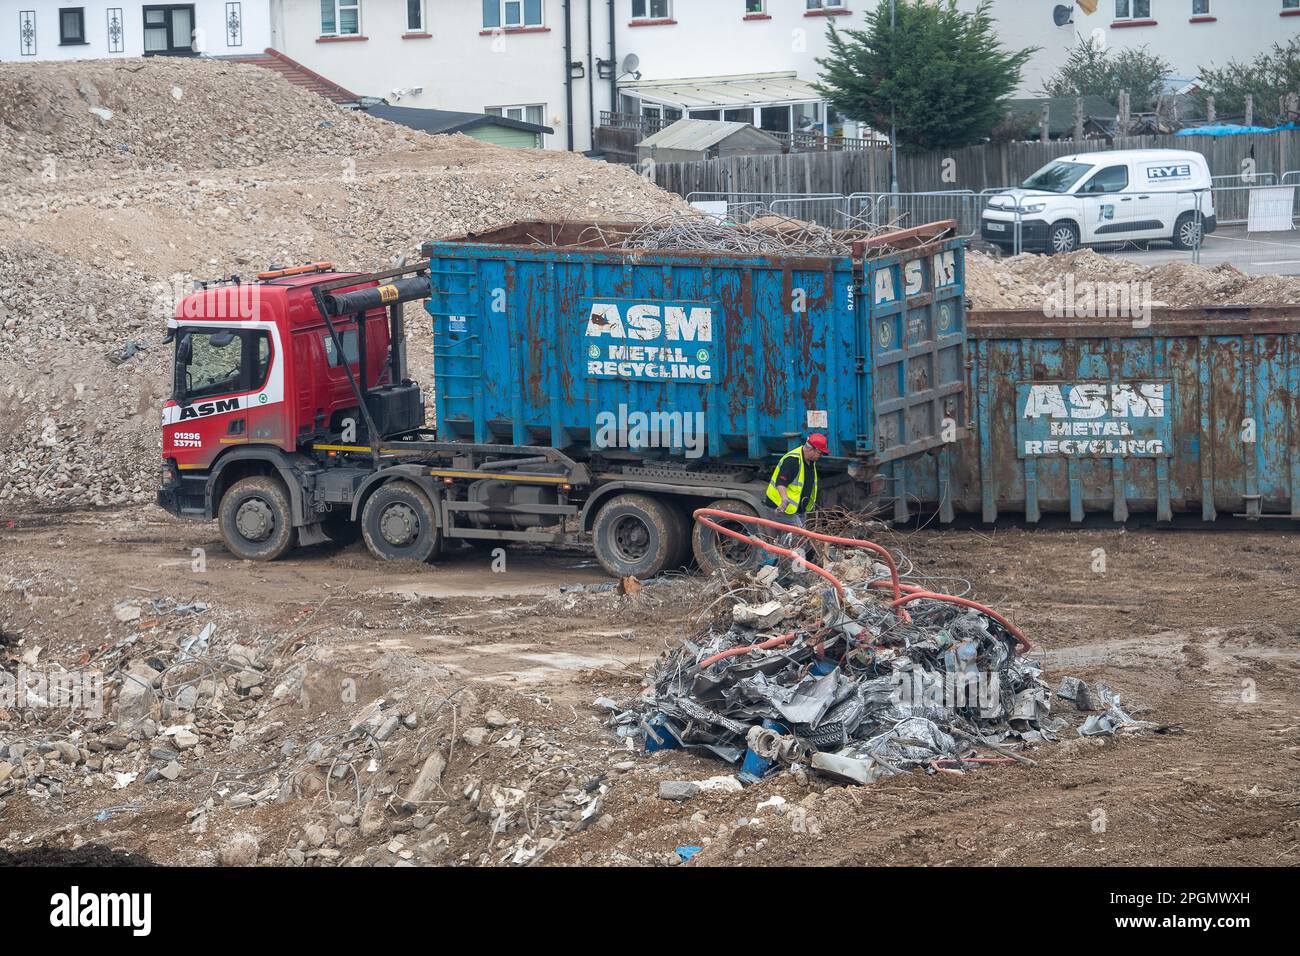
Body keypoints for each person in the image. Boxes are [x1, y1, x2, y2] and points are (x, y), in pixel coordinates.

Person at [762, 434, 827, 568]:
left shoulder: (809, 461)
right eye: (820, 453)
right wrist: (784, 499)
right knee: (798, 537)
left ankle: (782, 567)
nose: (820, 456)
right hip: (782, 508)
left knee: (795, 539)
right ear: (811, 449)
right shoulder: (793, 461)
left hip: (797, 510)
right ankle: (790, 571)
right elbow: (780, 483)